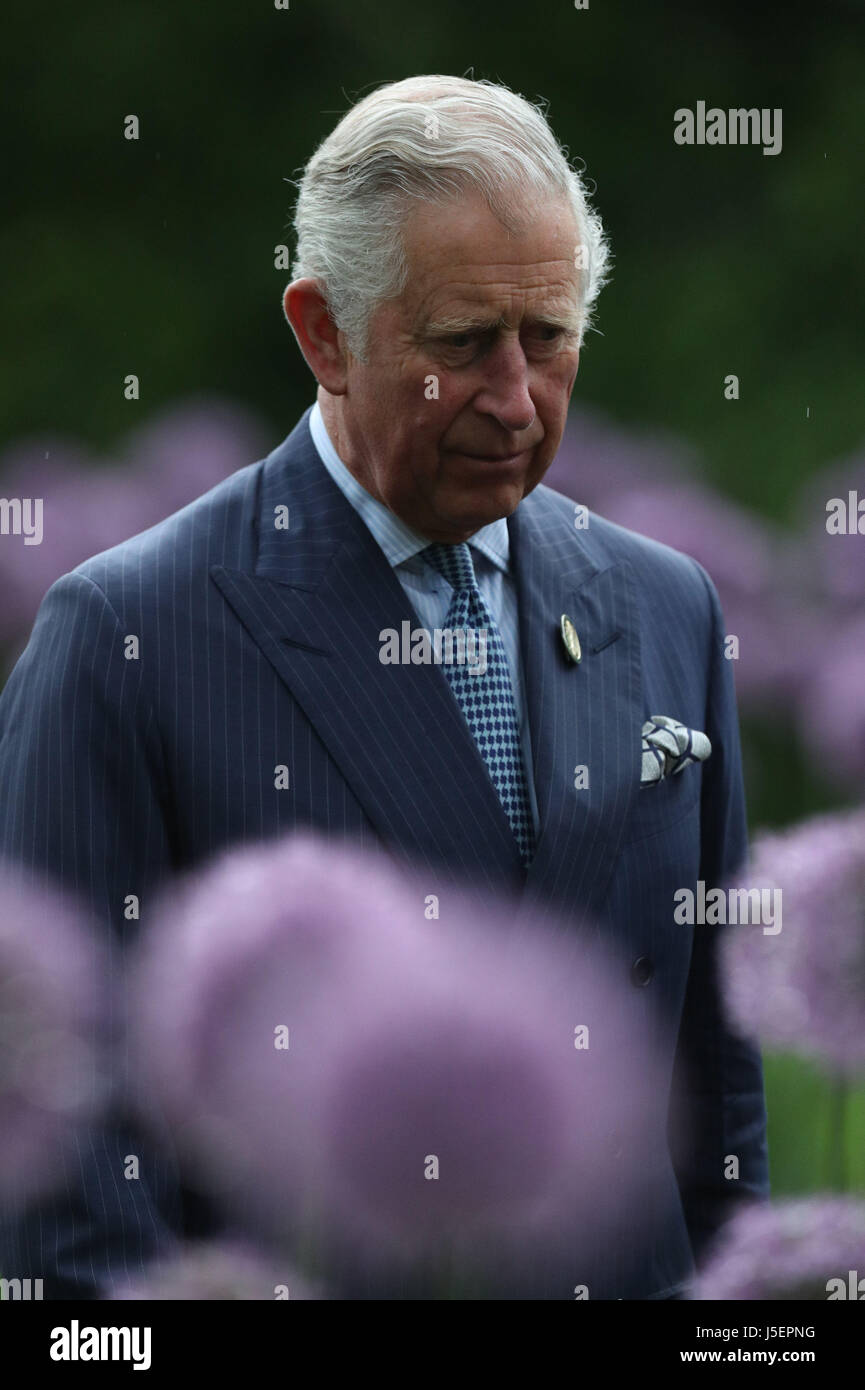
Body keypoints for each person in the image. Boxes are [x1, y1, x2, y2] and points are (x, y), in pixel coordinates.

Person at [0, 74, 769, 1299]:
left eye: (551, 338)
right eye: (463, 346)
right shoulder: (127, 637)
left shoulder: (669, 605)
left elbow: (725, 1108)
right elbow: (62, 1195)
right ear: (323, 333)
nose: (518, 402)